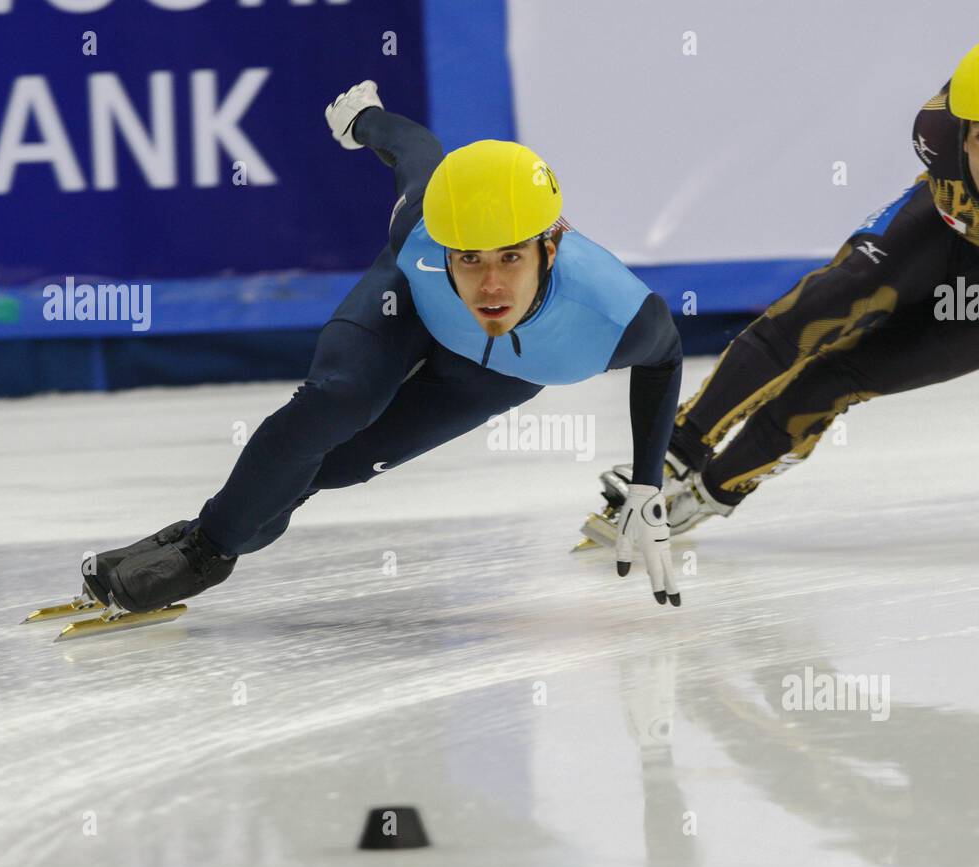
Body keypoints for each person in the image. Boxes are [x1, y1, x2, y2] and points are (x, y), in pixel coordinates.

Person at [85, 80, 685, 617]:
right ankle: (205, 554)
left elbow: (665, 359)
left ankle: (198, 533)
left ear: (549, 250)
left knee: (332, 468)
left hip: (495, 374)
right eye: (468, 258)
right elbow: (416, 152)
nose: (491, 285)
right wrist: (362, 118)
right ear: (444, 248)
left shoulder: (613, 313)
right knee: (339, 403)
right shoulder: (421, 230)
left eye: (511, 257)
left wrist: (647, 484)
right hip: (406, 307)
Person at [593, 33, 979, 539]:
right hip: (946, 230)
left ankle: (708, 495)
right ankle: (676, 450)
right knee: (824, 303)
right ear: (961, 127)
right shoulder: (934, 129)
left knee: (839, 376)